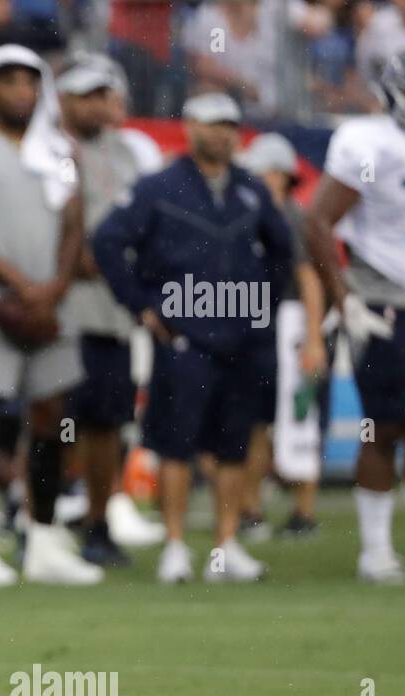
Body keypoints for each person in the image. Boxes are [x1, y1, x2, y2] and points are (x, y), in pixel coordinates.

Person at [93, 92, 292, 583]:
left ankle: (225, 546)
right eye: (211, 124)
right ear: (189, 128)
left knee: (233, 446)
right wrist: (141, 304)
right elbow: (108, 241)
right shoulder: (159, 187)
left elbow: (282, 251)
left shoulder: (250, 188)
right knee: (175, 442)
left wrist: (259, 303)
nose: (221, 133)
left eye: (229, 124)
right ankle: (176, 545)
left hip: (241, 335)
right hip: (184, 333)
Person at [0, 45, 102, 587]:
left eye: (28, 81)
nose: (19, 91)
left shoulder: (60, 150)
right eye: (6, 81)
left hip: (48, 302)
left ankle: (45, 537)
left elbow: (75, 225)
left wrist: (53, 287)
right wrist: (23, 285)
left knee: (53, 419)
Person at [305, 50, 405, 582]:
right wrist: (344, 296)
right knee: (383, 426)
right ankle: (375, 551)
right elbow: (318, 220)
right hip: (386, 301)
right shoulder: (369, 143)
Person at [55, 55, 161, 567]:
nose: (97, 104)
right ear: (64, 100)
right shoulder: (47, 150)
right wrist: (75, 258)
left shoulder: (129, 154)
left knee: (106, 422)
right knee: (52, 420)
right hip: (60, 308)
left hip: (112, 311)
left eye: (104, 94)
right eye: (85, 95)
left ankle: (99, 521)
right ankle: (38, 518)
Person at [234, 132, 328, 540]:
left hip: (289, 324)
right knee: (257, 419)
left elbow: (308, 279)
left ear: (276, 175)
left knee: (297, 418)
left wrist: (312, 337)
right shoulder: (261, 214)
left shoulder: (289, 217)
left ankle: (299, 512)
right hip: (263, 322)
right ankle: (253, 508)